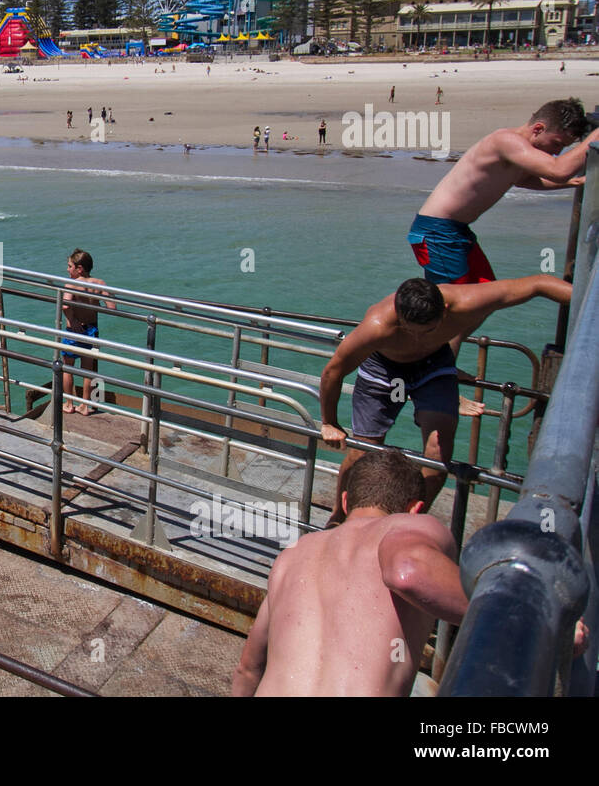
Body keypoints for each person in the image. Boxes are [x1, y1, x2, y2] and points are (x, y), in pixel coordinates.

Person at [318, 275, 570, 524]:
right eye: (409, 331)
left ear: (444, 310)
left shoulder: (466, 301)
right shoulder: (377, 326)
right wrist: (329, 421)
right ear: (399, 316)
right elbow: (333, 371)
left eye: (428, 331)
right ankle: (340, 516)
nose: (417, 339)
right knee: (362, 452)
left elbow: (538, 283)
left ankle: (408, 522)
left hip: (433, 365)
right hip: (383, 369)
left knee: (439, 452)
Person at [232, 450, 466, 696]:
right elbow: (405, 571)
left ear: (345, 502)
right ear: (415, 509)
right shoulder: (412, 526)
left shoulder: (292, 555)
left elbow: (247, 670)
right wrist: (496, 611)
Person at [409, 99, 594, 288]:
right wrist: (595, 137)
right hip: (436, 231)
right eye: (556, 144)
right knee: (454, 301)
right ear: (538, 128)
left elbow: (524, 180)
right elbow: (558, 170)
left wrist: (572, 182)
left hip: (455, 229)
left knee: (485, 290)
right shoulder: (506, 141)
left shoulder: (518, 151)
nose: (557, 152)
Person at [60, 249, 116, 416]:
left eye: (70, 266)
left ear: (80, 269)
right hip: (91, 329)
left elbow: (64, 305)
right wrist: (94, 305)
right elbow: (112, 306)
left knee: (67, 368)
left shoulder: (71, 284)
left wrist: (74, 321)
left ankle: (69, 404)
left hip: (74, 330)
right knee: (87, 369)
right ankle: (84, 405)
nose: (67, 270)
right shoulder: (99, 283)